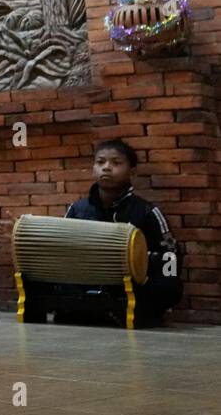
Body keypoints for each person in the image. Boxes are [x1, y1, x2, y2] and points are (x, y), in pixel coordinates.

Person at [63, 138, 183, 326]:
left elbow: (172, 257)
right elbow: (60, 248)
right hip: (88, 280)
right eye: (100, 162)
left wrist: (144, 261)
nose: (107, 168)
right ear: (93, 168)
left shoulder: (147, 212)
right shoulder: (77, 209)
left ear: (132, 171)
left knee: (170, 284)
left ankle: (106, 312)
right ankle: (100, 310)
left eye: (116, 163)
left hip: (131, 285)